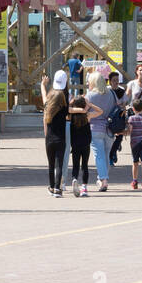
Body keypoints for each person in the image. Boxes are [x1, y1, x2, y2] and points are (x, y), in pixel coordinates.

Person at [68, 74, 104, 197]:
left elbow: (67, 108)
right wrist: (89, 104)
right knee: (85, 166)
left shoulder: (72, 116)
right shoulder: (87, 116)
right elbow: (100, 112)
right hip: (86, 143)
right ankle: (84, 187)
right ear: (84, 105)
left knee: (75, 164)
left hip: (75, 144)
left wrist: (72, 102)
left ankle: (74, 179)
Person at [87, 70, 118, 191]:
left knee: (98, 155)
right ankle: (103, 178)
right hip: (109, 128)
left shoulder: (90, 95)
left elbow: (85, 110)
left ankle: (103, 179)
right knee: (106, 155)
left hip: (95, 128)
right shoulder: (111, 93)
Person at [41, 69, 69, 198]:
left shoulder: (47, 106)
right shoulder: (64, 108)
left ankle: (51, 187)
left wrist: (43, 85)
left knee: (51, 165)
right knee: (59, 164)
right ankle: (58, 188)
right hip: (61, 139)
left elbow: (44, 96)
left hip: (49, 140)